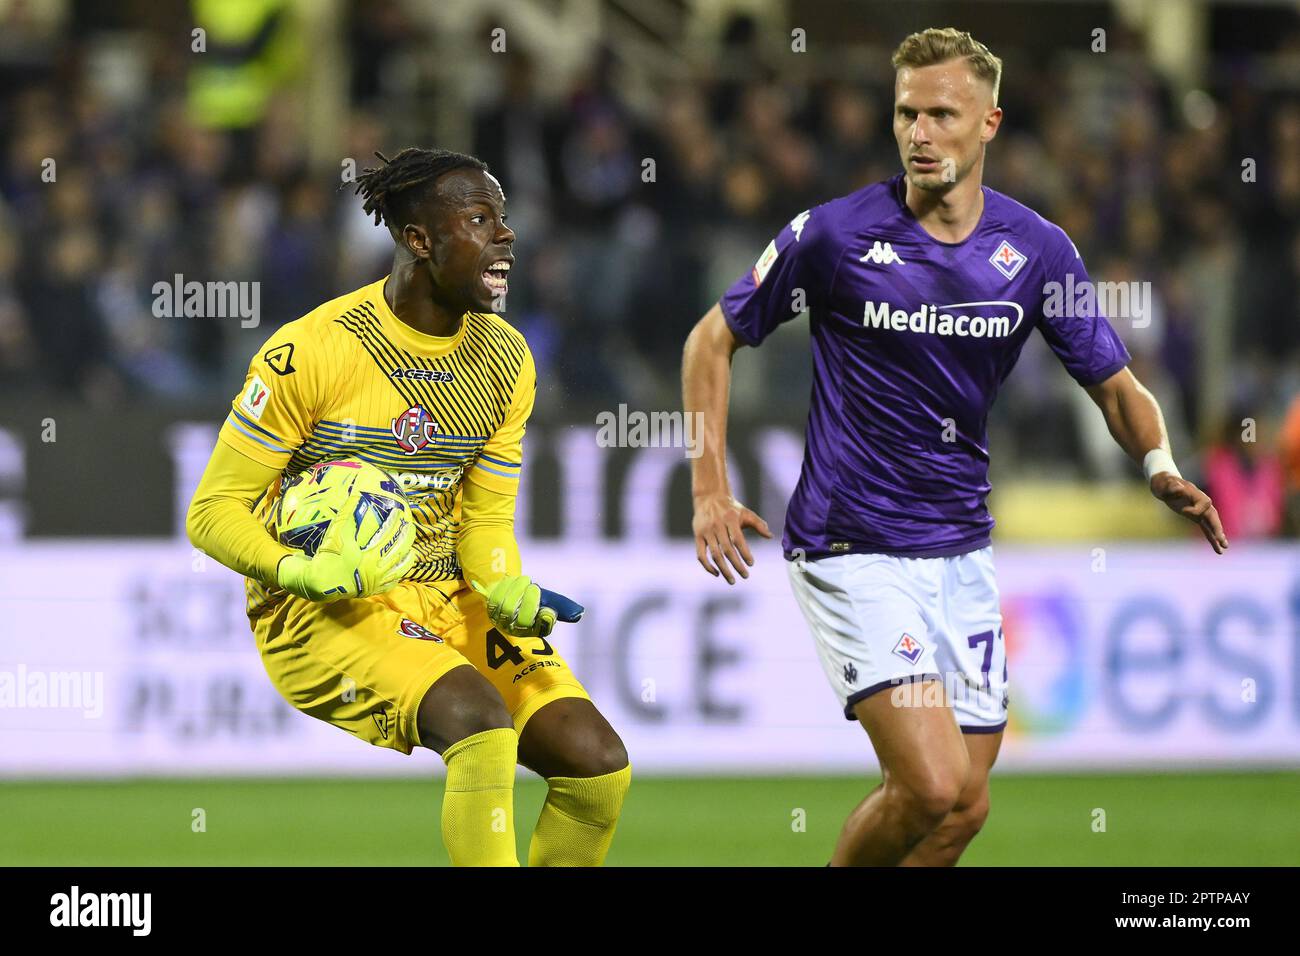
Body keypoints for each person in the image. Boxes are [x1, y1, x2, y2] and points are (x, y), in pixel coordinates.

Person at [682, 29, 1227, 867]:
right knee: (932, 785)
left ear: (990, 124)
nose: (920, 132)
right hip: (851, 544)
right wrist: (709, 488)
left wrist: (1159, 467)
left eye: (942, 113)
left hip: (962, 553)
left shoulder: (1036, 250)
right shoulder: (832, 236)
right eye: (907, 112)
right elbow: (709, 342)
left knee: (963, 807)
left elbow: (1116, 385)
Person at [187, 147, 630, 866]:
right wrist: (297, 572)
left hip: (445, 593)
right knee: (482, 730)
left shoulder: (507, 359)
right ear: (419, 241)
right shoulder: (311, 352)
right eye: (481, 219)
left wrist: (504, 586)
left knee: (597, 766)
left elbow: (484, 524)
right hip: (322, 608)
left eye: (504, 218)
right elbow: (211, 511)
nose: (506, 235)